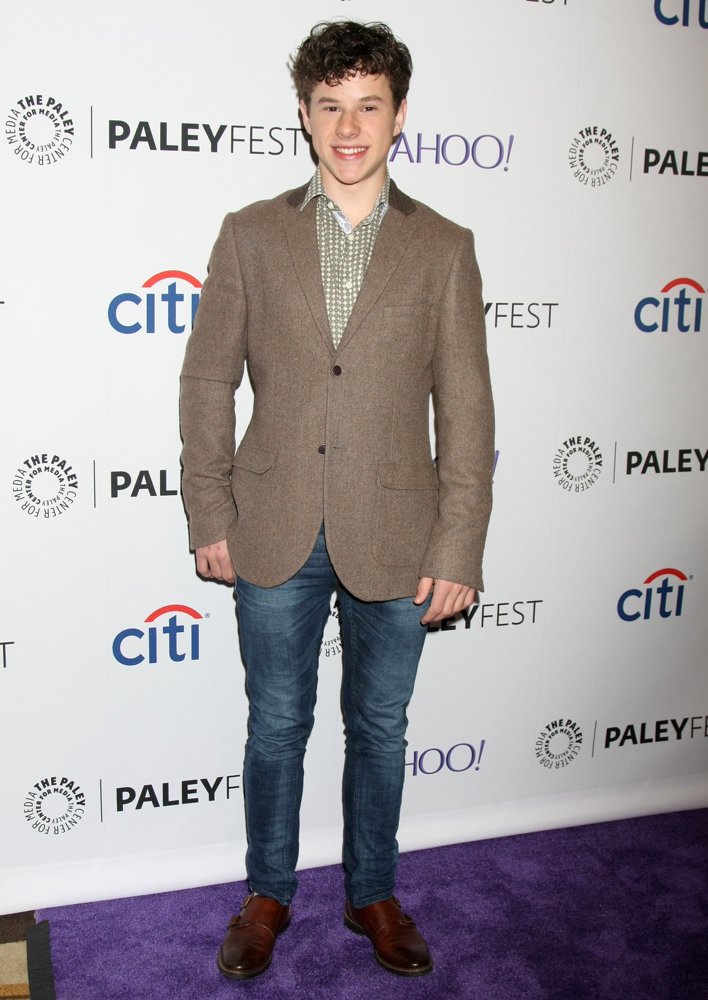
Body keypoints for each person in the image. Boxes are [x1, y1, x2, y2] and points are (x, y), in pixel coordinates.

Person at [179, 19, 494, 980]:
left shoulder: (444, 246)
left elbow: (469, 409)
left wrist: (461, 543)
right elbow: (205, 383)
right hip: (270, 524)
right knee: (275, 723)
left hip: (400, 530)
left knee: (382, 726)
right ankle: (268, 892)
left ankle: (372, 893)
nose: (348, 127)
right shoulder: (249, 233)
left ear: (399, 116)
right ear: (306, 117)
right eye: (330, 107)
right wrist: (209, 512)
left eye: (368, 106)